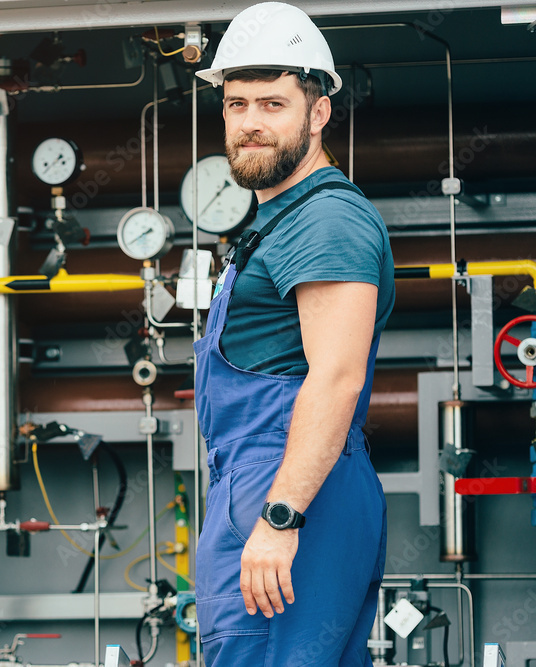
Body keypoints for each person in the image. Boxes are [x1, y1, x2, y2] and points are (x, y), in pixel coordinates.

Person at [191, 3, 395, 666]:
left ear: (317, 113)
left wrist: (281, 518)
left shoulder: (325, 221)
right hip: (272, 481)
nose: (250, 123)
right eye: (236, 103)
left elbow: (336, 376)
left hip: (292, 487)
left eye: (273, 104)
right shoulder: (282, 221)